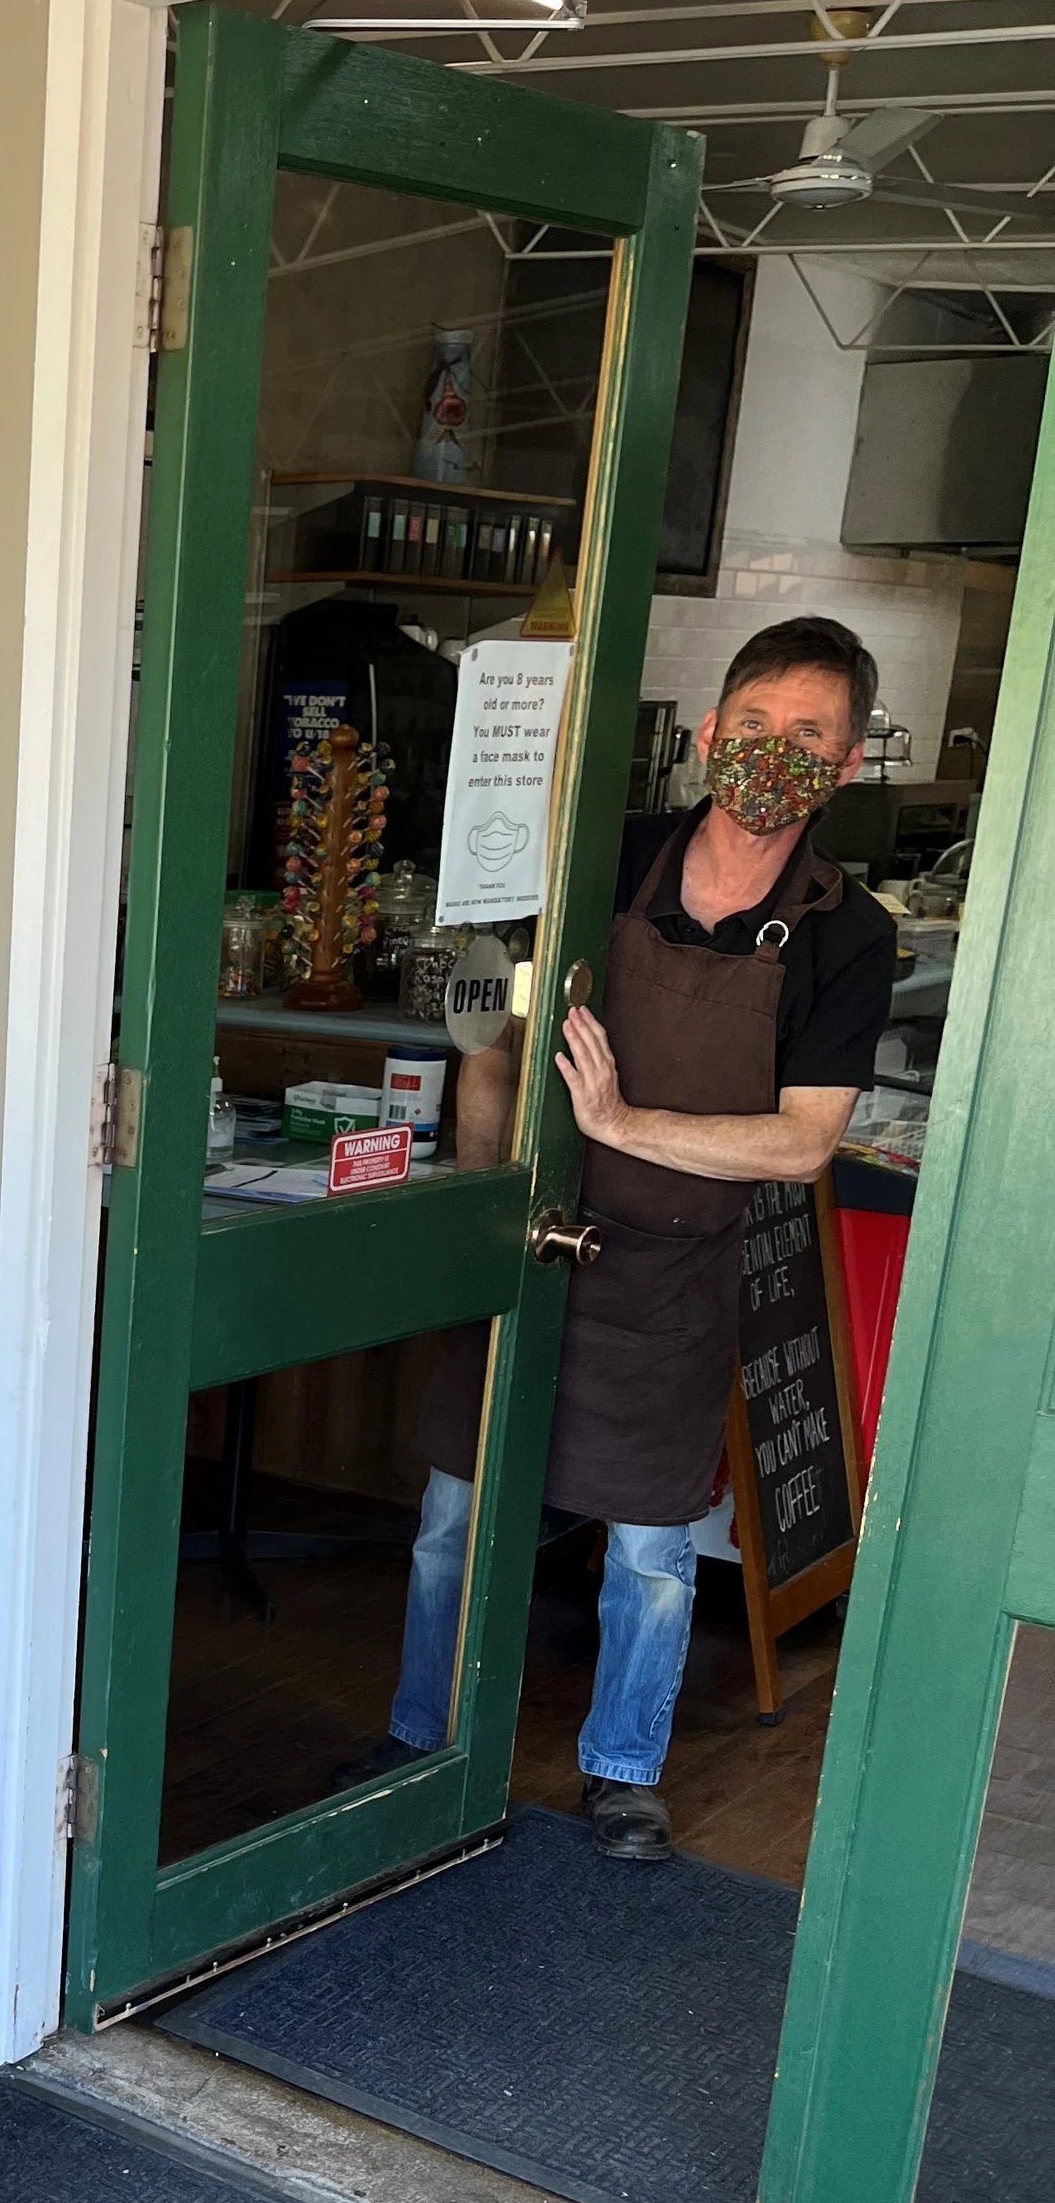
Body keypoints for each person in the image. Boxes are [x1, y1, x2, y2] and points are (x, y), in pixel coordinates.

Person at [351, 615, 897, 1860]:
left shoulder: (843, 932)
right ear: (709, 732)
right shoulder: (613, 862)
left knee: (650, 1549)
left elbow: (799, 1142)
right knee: (455, 1510)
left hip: (670, 1279)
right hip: (535, 1242)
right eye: (753, 725)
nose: (772, 753)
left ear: (848, 762)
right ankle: (417, 1732)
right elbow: (495, 1034)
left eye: (807, 735)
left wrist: (620, 1119)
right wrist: (480, 1196)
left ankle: (621, 1769)